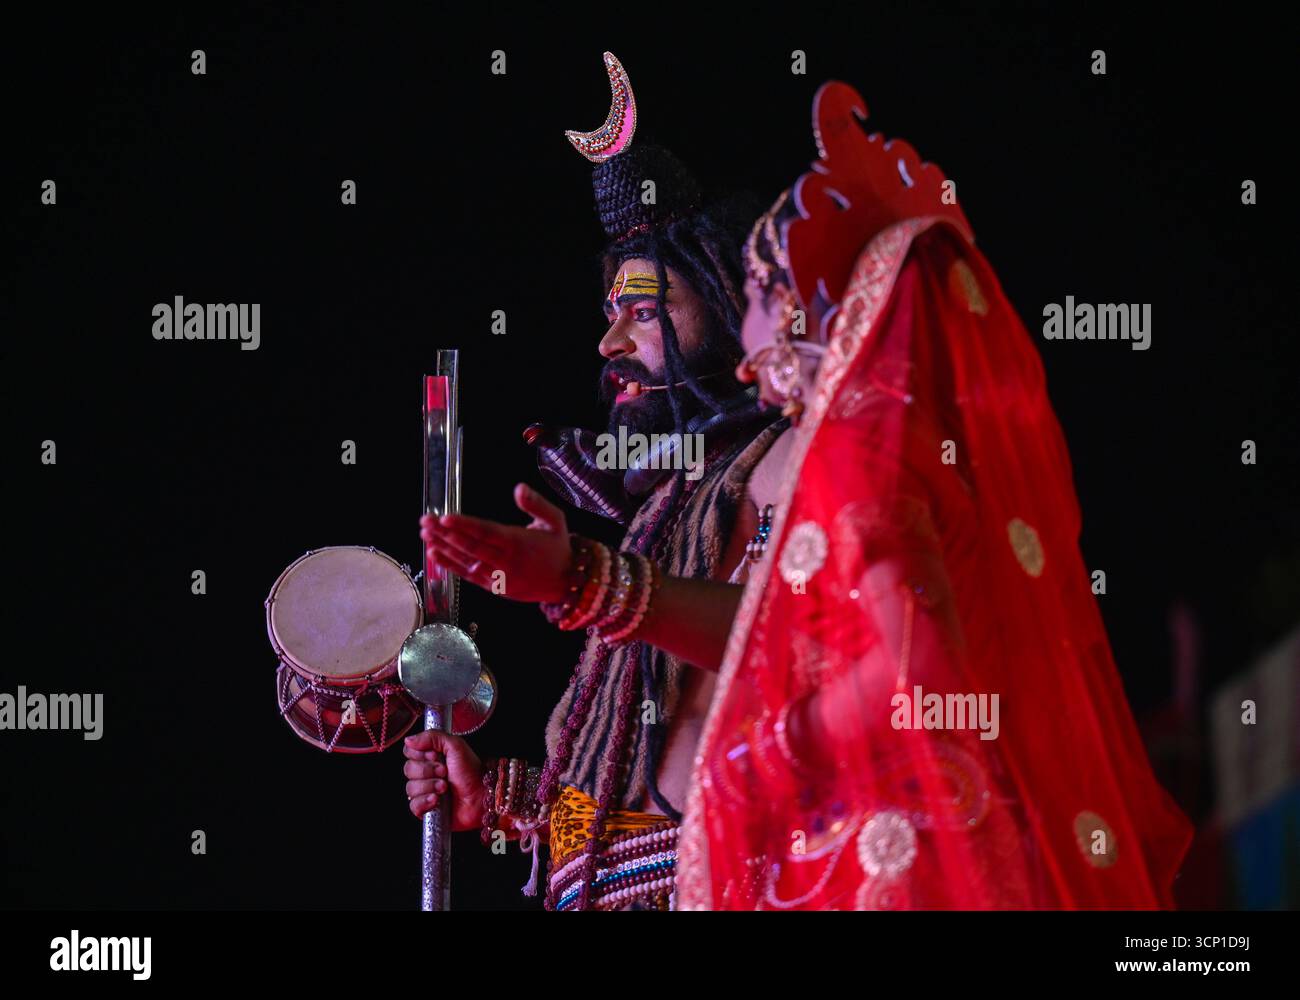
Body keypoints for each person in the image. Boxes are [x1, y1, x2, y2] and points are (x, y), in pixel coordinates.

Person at [673, 81, 1195, 909]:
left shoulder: (853, 452)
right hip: (975, 833)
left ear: (808, 312)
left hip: (891, 858)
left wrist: (760, 754)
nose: (744, 358)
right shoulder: (936, 458)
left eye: (757, 299)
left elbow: (918, 667)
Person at [404, 52, 789, 911]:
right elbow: (640, 788)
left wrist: (586, 582)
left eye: (646, 311)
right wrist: (500, 799)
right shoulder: (669, 509)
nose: (609, 344)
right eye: (610, 313)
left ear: (731, 312)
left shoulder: (788, 461)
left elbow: (786, 646)